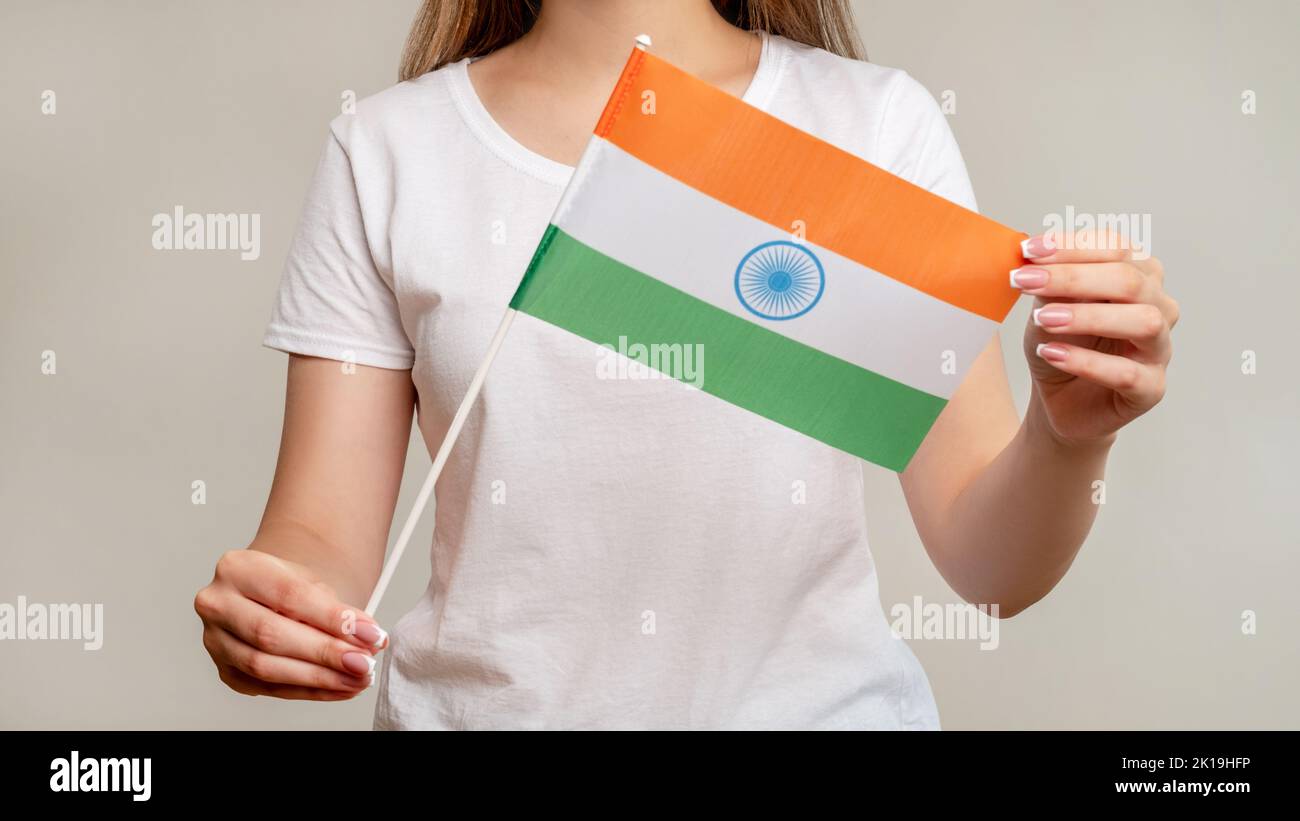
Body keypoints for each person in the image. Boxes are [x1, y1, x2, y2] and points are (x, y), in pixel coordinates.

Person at [193, 0, 1177, 729]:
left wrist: (1063, 436)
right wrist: (273, 611)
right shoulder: (387, 149)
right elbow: (318, 540)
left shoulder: (872, 125)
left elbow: (989, 565)